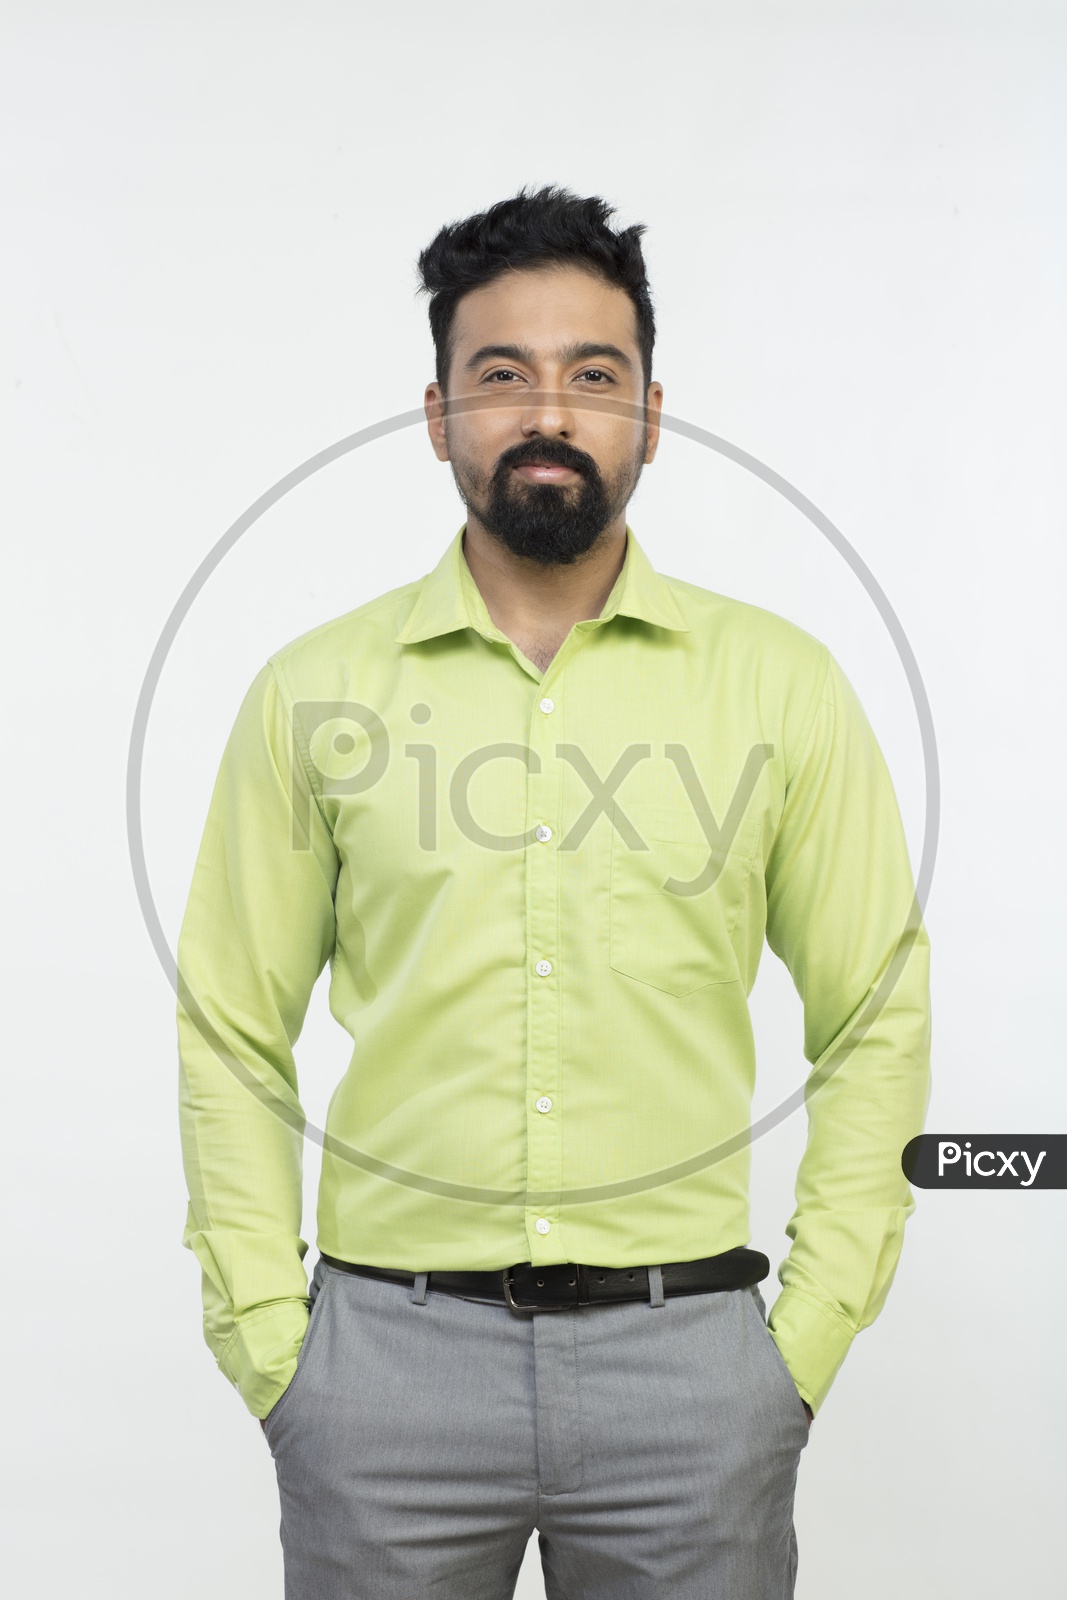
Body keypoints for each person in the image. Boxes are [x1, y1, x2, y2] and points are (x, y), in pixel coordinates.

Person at [176, 185, 931, 1599]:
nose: (551, 410)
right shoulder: (312, 695)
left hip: (692, 1374)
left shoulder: (782, 688)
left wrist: (806, 1337)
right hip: (381, 1375)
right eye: (502, 374)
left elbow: (874, 1016)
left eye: (594, 376)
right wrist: (274, 1344)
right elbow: (231, 1024)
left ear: (650, 410)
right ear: (437, 409)